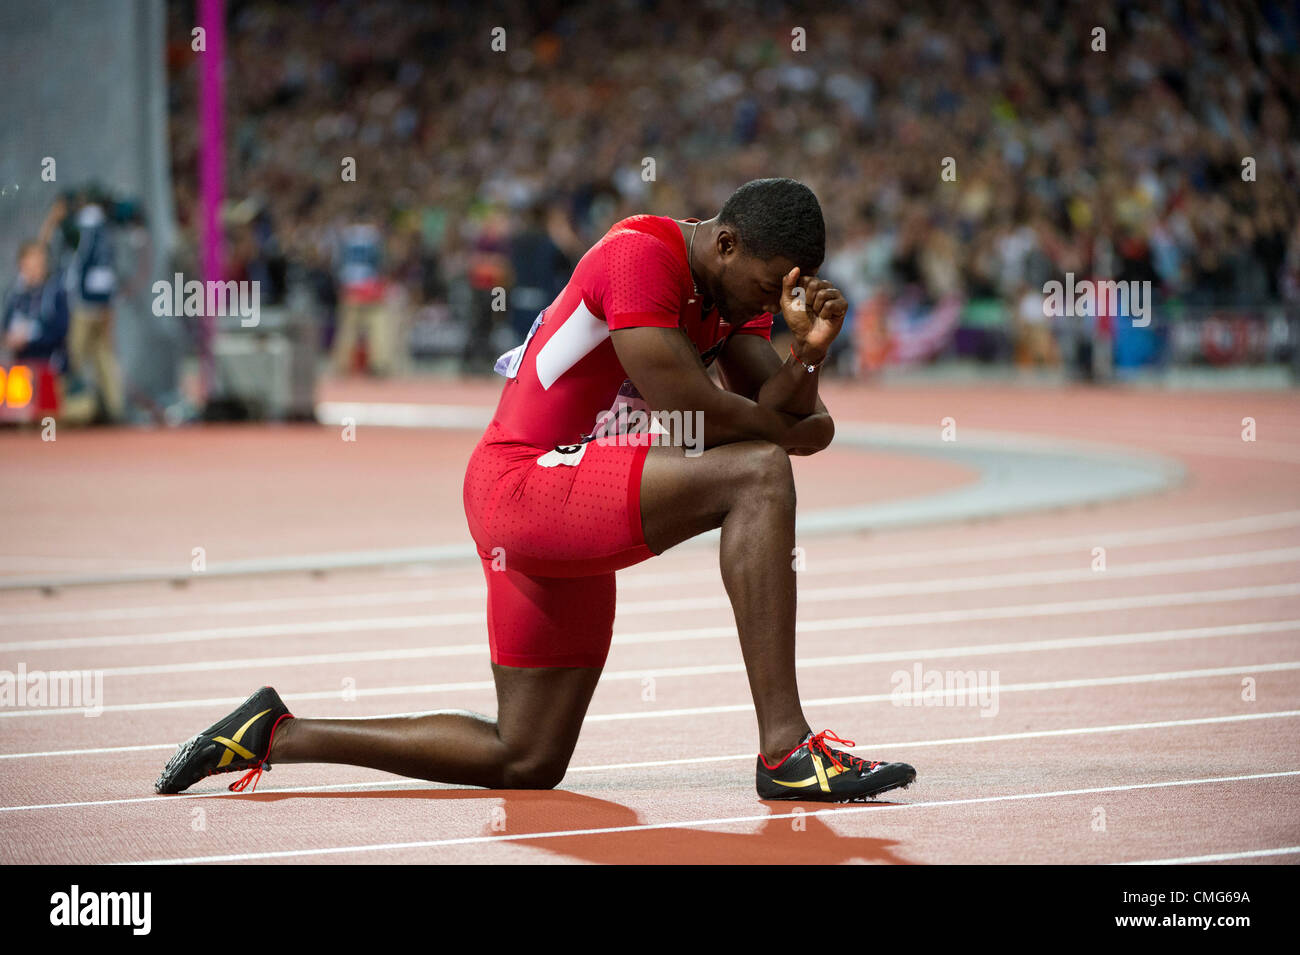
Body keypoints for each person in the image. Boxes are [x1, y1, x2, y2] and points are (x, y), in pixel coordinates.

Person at [155, 179, 917, 802]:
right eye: (765, 284)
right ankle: (786, 749)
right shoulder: (638, 258)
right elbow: (699, 415)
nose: (766, 302)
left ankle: (277, 732)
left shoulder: (733, 297)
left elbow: (809, 427)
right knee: (756, 472)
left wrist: (808, 353)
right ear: (725, 243)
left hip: (570, 488)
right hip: (522, 483)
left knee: (524, 756)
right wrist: (776, 416)